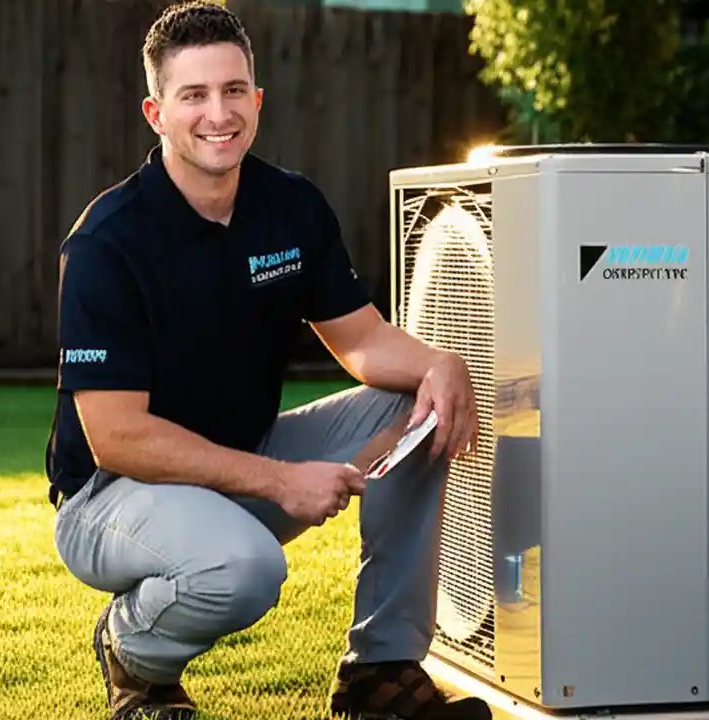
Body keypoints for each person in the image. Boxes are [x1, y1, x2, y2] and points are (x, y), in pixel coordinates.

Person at [44, 2, 491, 719]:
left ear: (256, 100)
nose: (217, 113)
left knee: (416, 401)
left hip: (238, 457)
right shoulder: (108, 243)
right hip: (111, 493)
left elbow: (362, 343)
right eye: (193, 95)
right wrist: (280, 480)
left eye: (232, 91)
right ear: (156, 112)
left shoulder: (291, 207)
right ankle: (134, 655)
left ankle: (380, 672)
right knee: (247, 567)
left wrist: (442, 362)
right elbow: (116, 435)